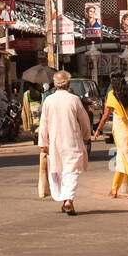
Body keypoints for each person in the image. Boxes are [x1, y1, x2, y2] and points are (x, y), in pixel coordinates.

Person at [37, 69, 92, 215]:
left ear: (55, 84)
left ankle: (65, 199)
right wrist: (86, 136)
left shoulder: (49, 100)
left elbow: (43, 124)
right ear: (67, 83)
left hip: (54, 142)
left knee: (58, 171)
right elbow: (85, 121)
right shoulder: (74, 99)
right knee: (71, 171)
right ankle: (68, 200)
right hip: (72, 140)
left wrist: (43, 143)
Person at [93, 73, 128, 201]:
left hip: (120, 132)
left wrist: (98, 130)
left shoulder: (111, 95)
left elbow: (105, 116)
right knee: (122, 159)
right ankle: (114, 188)